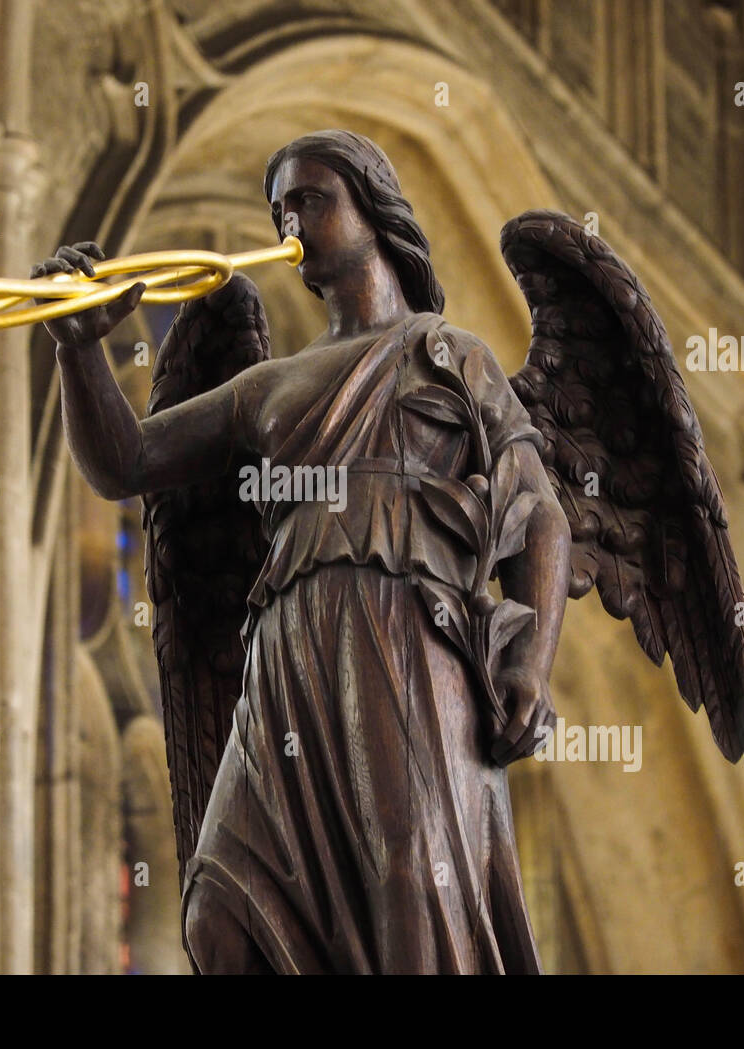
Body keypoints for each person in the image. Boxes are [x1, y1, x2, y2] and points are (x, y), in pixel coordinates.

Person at [32, 129, 571, 973]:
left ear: (373, 206)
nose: (290, 219)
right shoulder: (267, 388)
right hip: (288, 648)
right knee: (220, 907)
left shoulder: (449, 355)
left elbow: (538, 512)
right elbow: (124, 461)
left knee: (409, 878)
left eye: (311, 199)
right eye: (280, 205)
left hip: (403, 637)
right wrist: (77, 346)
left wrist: (532, 664)